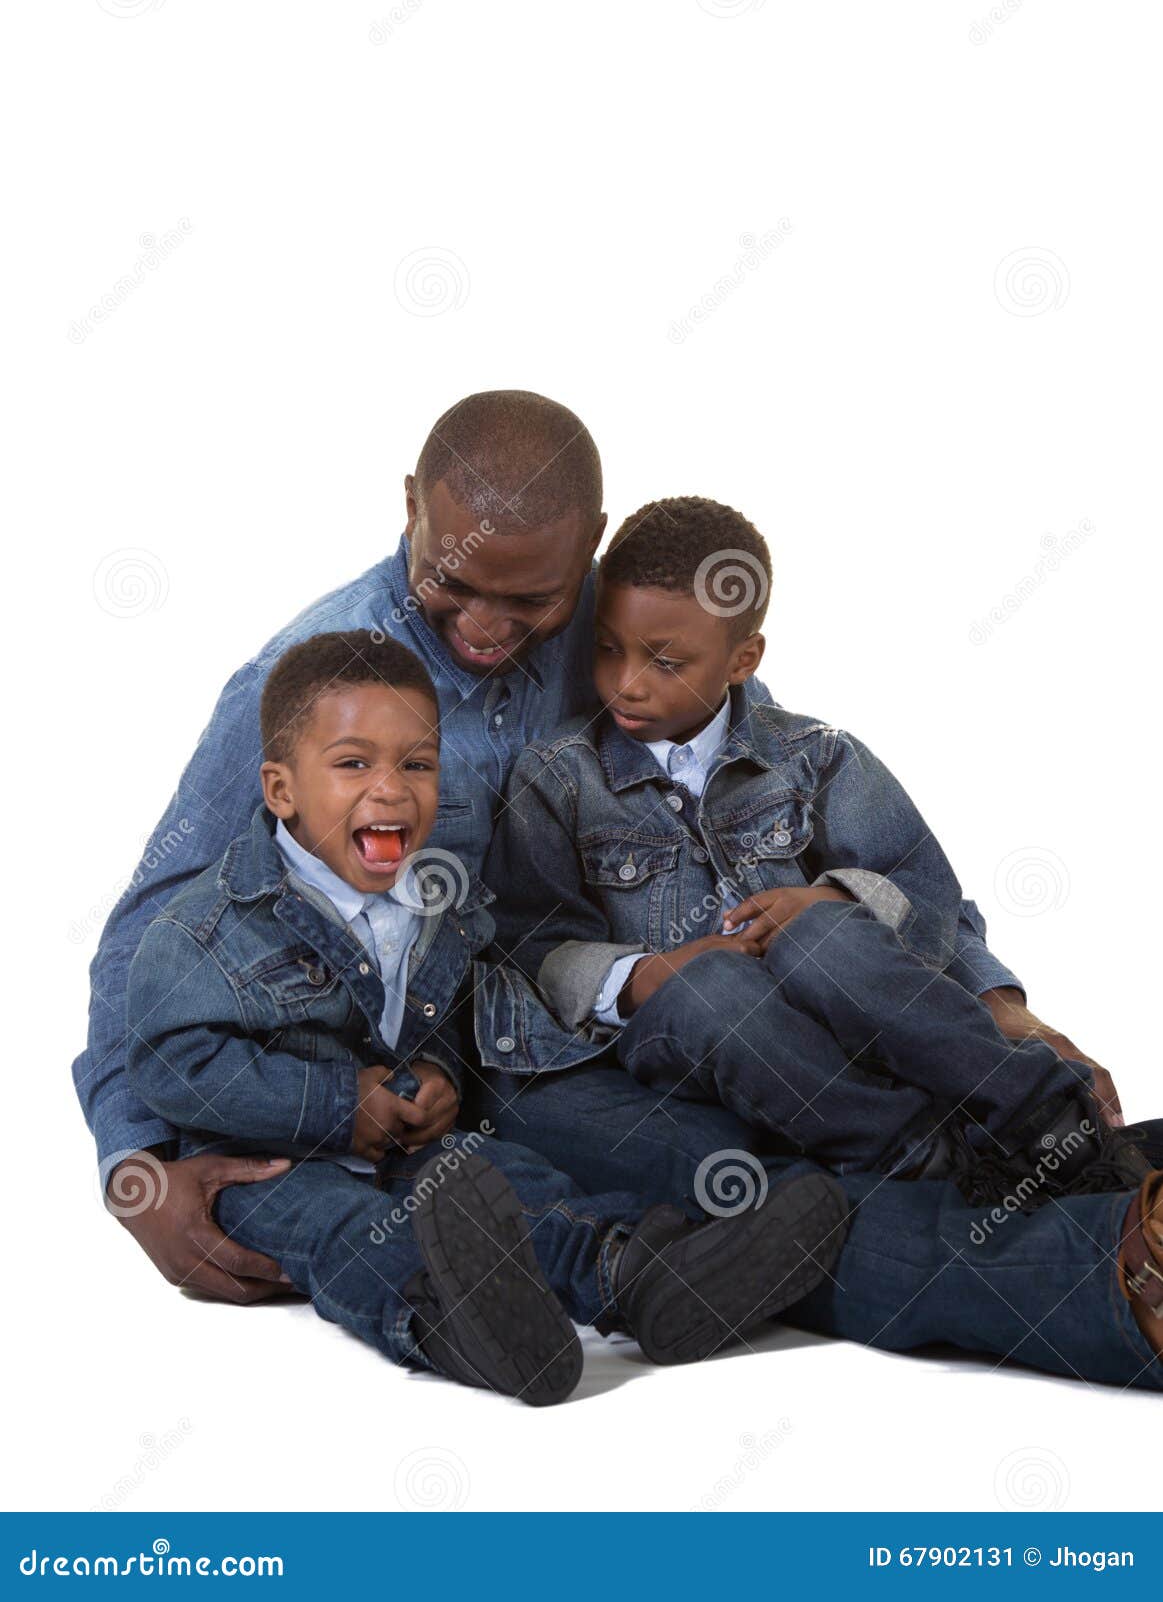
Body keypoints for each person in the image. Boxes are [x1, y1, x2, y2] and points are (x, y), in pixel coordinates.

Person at [78, 387, 1149, 1390]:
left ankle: (1091, 1169)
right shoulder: (314, 683)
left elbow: (774, 782)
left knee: (879, 1102)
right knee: (750, 1191)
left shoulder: (623, 624)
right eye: (453, 584)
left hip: (696, 1004)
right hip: (501, 1061)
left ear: (586, 546)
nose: (487, 627)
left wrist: (992, 1003)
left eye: (529, 599)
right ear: (411, 507)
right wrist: (136, 1163)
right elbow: (150, 936)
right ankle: (1112, 1274)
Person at [122, 631, 849, 1403]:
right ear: (281, 790)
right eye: (352, 763)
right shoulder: (208, 923)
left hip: (404, 1140)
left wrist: (437, 1074)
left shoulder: (436, 898)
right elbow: (171, 1063)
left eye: (418, 764)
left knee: (503, 1182)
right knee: (341, 1231)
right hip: (262, 1166)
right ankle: (445, 1322)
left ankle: (638, 1276)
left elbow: (442, 1013)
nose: (391, 789)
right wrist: (340, 1105)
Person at [482, 497, 1129, 1202]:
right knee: (715, 988)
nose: (627, 681)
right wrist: (647, 972)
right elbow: (531, 943)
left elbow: (926, 887)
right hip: (693, 1030)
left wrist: (830, 899)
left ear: (742, 659)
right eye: (606, 648)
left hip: (836, 1019)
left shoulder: (812, 756)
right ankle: (921, 1163)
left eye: (665, 662)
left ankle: (1044, 1121)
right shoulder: (556, 777)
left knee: (822, 934)